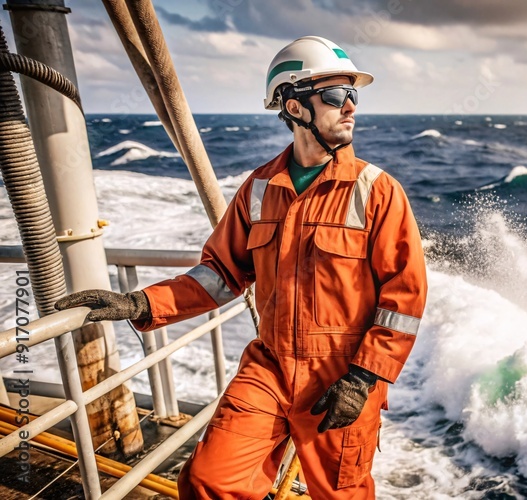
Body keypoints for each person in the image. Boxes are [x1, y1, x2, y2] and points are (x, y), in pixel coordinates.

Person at [54, 36, 428, 499]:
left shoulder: (378, 191)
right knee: (208, 480)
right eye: (334, 95)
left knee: (342, 494)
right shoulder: (258, 188)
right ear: (294, 106)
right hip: (269, 368)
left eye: (354, 95)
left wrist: (365, 377)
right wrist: (139, 302)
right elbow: (219, 276)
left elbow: (404, 299)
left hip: (341, 376)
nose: (350, 106)